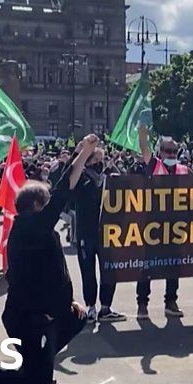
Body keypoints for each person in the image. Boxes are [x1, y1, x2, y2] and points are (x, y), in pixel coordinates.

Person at [0, 138, 92, 384]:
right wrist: (83, 152)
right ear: (38, 207)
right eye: (48, 204)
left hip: (44, 313)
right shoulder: (31, 228)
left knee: (77, 317)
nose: (54, 208)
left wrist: (65, 301)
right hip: (29, 318)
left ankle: (38, 364)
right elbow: (64, 189)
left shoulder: (35, 229)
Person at [71, 136, 125, 322]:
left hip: (108, 232)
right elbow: (68, 177)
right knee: (88, 271)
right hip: (86, 232)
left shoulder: (109, 177)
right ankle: (91, 307)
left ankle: (106, 307)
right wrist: (79, 151)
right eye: (96, 161)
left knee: (109, 270)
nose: (99, 164)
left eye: (101, 160)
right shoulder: (81, 178)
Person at [135, 124, 184, 319]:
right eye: (167, 150)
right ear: (160, 152)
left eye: (174, 151)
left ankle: (170, 302)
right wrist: (142, 135)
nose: (171, 154)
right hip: (153, 225)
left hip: (176, 226)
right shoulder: (155, 165)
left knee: (174, 265)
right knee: (147, 265)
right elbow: (144, 148)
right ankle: (142, 303)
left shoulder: (183, 169)